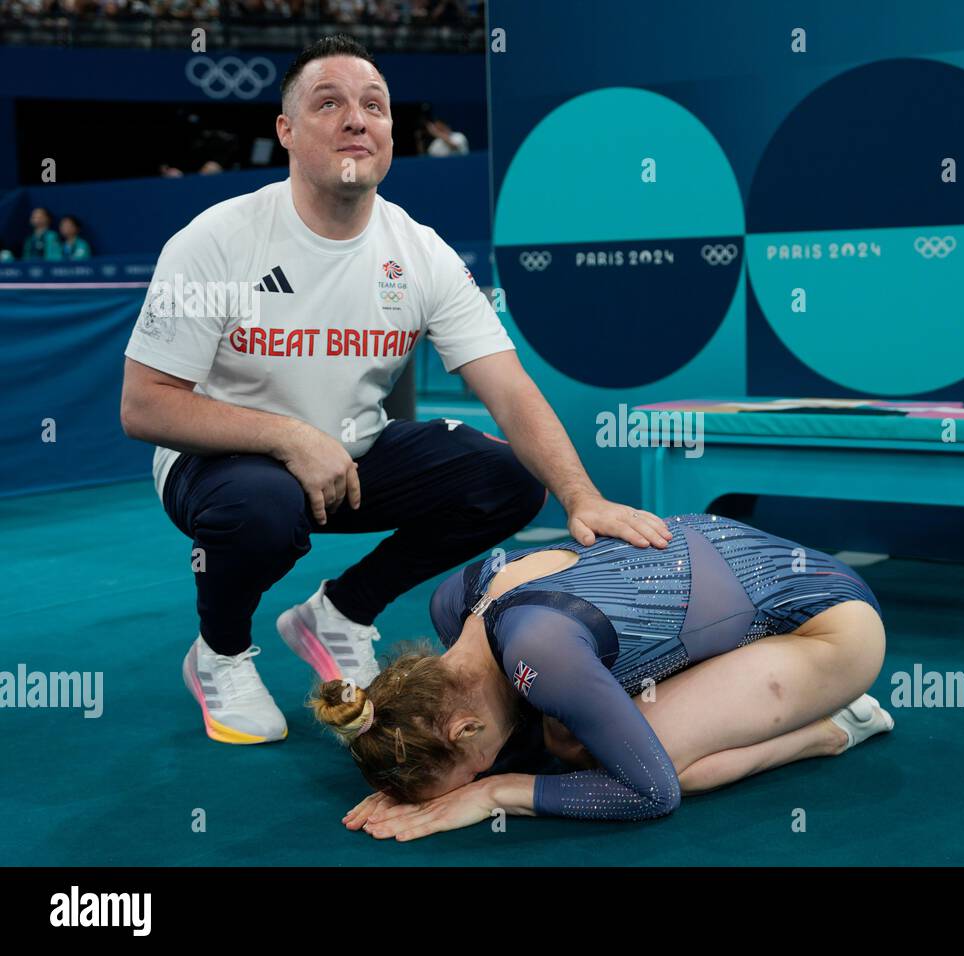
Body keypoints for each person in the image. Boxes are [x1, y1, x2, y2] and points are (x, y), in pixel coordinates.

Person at [120, 34, 668, 747]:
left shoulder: (419, 252)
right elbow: (145, 405)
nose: (357, 119)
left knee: (505, 478)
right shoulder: (217, 240)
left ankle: (340, 612)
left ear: (388, 131)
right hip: (222, 465)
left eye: (373, 105)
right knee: (261, 506)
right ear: (286, 131)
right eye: (329, 103)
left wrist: (581, 496)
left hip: (351, 456)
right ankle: (219, 654)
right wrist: (290, 437)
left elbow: (507, 386)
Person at [316, 513, 892, 838]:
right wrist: (404, 766)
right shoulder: (452, 606)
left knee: (655, 764)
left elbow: (651, 792)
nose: (481, 773)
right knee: (567, 738)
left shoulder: (543, 653)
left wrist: (496, 791)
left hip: (825, 624)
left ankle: (835, 725)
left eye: (474, 766)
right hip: (732, 572)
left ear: (464, 729)